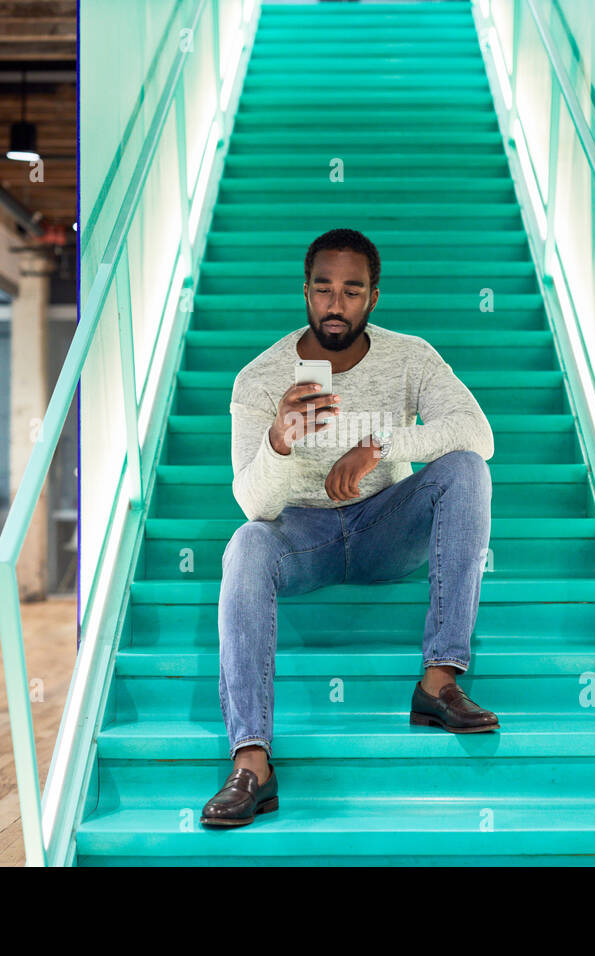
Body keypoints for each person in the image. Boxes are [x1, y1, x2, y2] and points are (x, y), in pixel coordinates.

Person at [201, 228, 498, 828]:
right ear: (305, 293)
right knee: (245, 545)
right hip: (300, 539)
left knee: (465, 471)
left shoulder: (409, 355)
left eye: (352, 291)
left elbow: (478, 433)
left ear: (374, 298)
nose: (336, 305)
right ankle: (252, 763)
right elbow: (251, 504)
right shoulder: (259, 380)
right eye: (323, 289)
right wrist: (279, 441)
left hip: (384, 526)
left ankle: (439, 682)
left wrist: (380, 444)